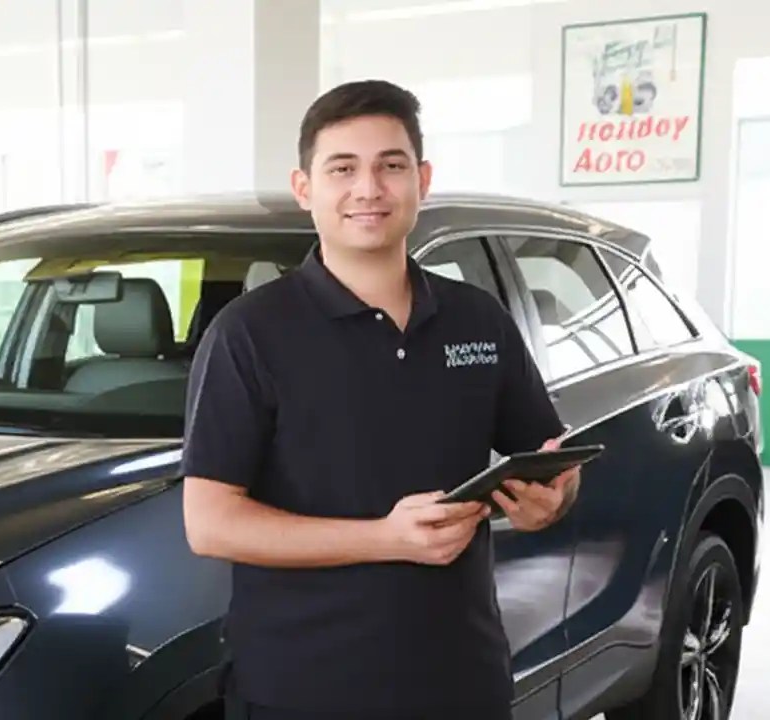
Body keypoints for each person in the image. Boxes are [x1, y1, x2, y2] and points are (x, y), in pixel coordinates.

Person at [180, 79, 582, 719]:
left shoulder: (476, 320)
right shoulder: (250, 334)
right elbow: (209, 522)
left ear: (421, 179)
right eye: (343, 168)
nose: (368, 189)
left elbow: (547, 462)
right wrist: (384, 539)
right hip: (304, 691)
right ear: (304, 187)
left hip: (462, 682)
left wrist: (550, 502)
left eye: (390, 166)